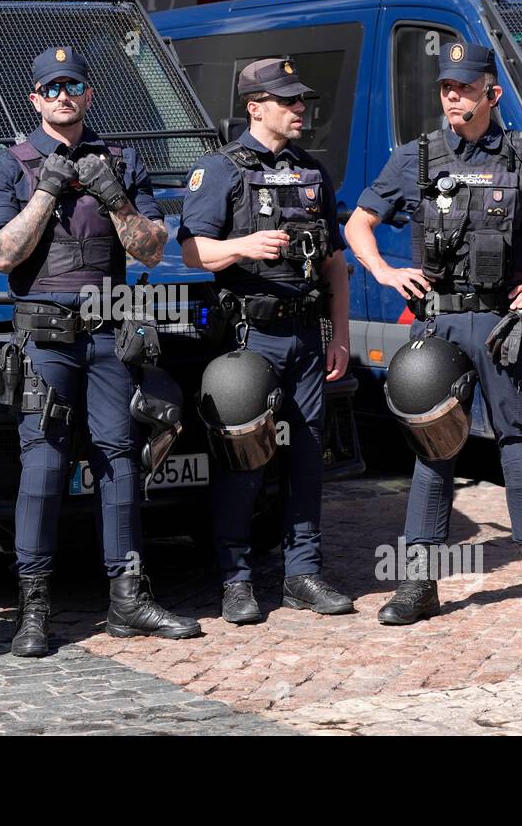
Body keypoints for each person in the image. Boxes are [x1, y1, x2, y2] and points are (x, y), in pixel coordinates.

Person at [345, 42, 522, 624]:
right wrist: (383, 271)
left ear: (492, 93)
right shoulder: (415, 158)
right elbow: (358, 223)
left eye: (464, 88)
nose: (453, 97)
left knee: (518, 442)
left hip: (500, 323)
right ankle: (418, 585)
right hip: (437, 325)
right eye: (446, 87)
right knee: (433, 445)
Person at [0, 46, 202, 657]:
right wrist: (47, 190)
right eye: (50, 88)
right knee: (44, 465)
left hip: (109, 332)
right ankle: (34, 608)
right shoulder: (8, 164)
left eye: (72, 85)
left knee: (121, 458)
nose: (62, 96)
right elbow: (2, 254)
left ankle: (128, 598)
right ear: (35, 99)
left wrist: (114, 196)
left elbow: (152, 248)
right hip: (45, 337)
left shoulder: (122, 159)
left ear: (88, 93)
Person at [179, 57, 356, 625]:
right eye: (288, 100)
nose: (300, 108)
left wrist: (340, 336)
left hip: (306, 334)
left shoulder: (313, 172)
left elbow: (334, 262)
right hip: (249, 337)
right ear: (255, 108)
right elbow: (191, 251)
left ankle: (303, 573)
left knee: (307, 457)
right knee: (245, 458)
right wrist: (243, 247)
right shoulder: (221, 169)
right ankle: (235, 579)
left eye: (301, 100)